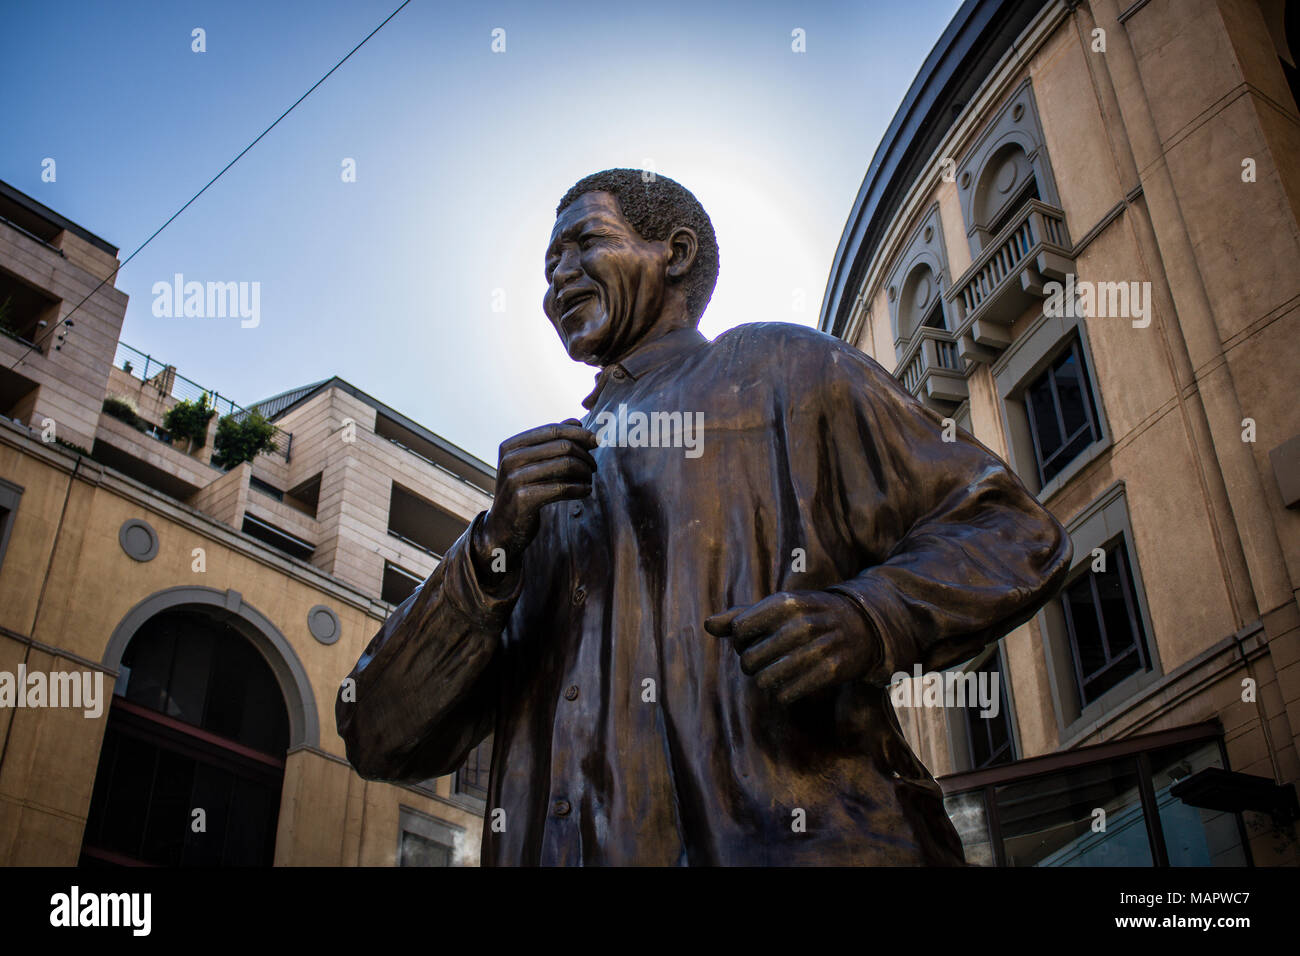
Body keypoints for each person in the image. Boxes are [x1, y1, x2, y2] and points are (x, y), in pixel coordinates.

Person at [336, 168, 1072, 865]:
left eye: (584, 243)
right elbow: (377, 734)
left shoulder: (783, 366)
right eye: (547, 264)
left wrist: (865, 618)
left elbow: (1010, 530)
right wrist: (490, 545)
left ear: (674, 253)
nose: (557, 277)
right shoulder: (529, 507)